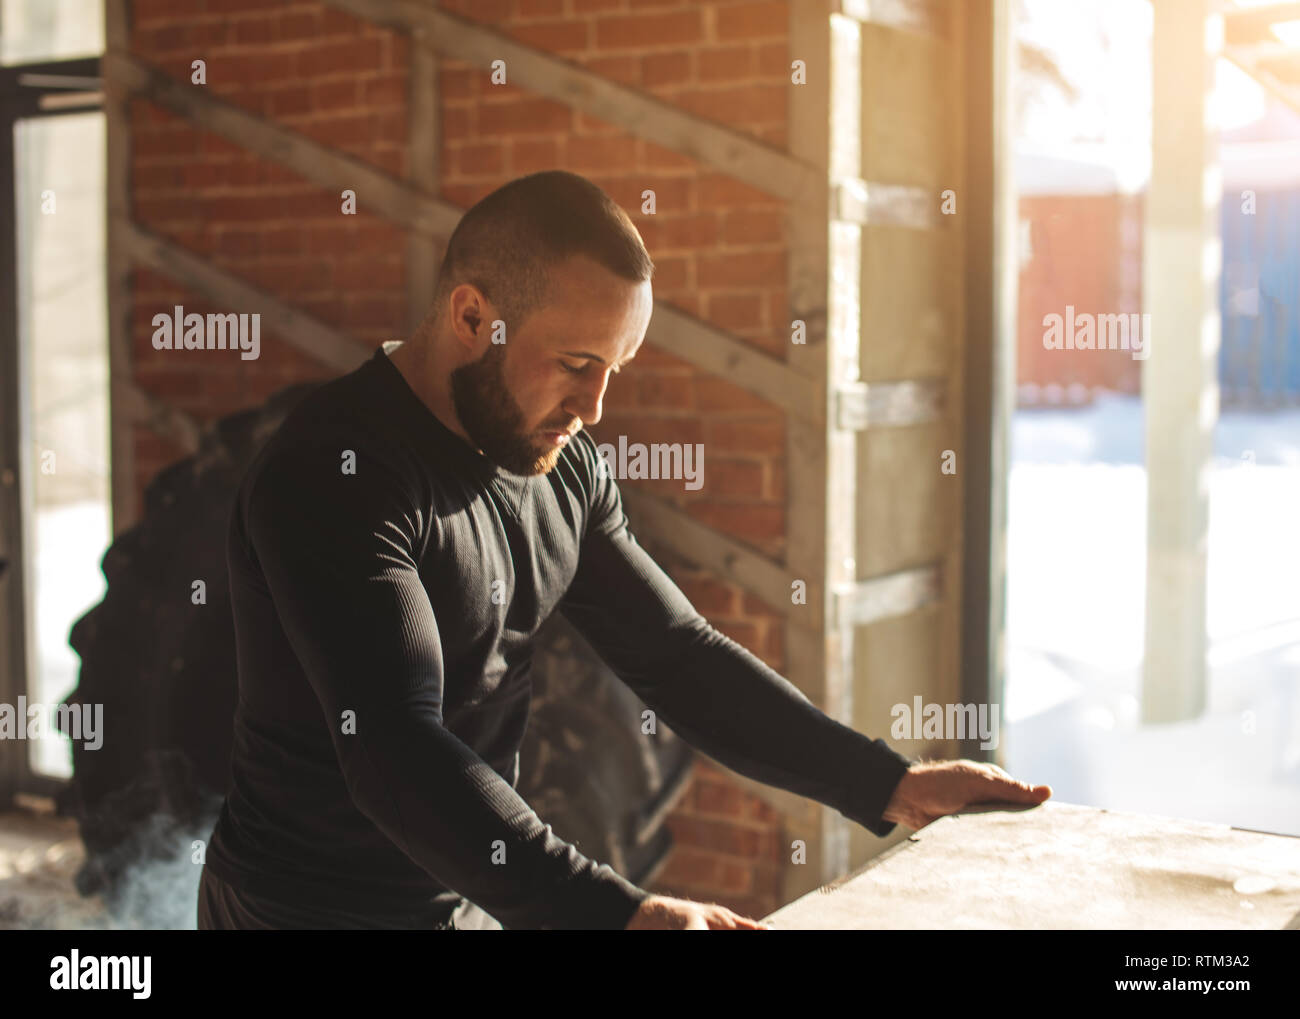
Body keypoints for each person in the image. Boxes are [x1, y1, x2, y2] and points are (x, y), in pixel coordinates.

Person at [197, 170, 1050, 932]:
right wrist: (618, 913)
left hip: (462, 897)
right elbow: (394, 750)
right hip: (298, 910)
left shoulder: (560, 467)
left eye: (616, 367)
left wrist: (888, 783)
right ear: (471, 316)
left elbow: (677, 654)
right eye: (575, 363)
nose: (595, 407)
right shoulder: (337, 472)